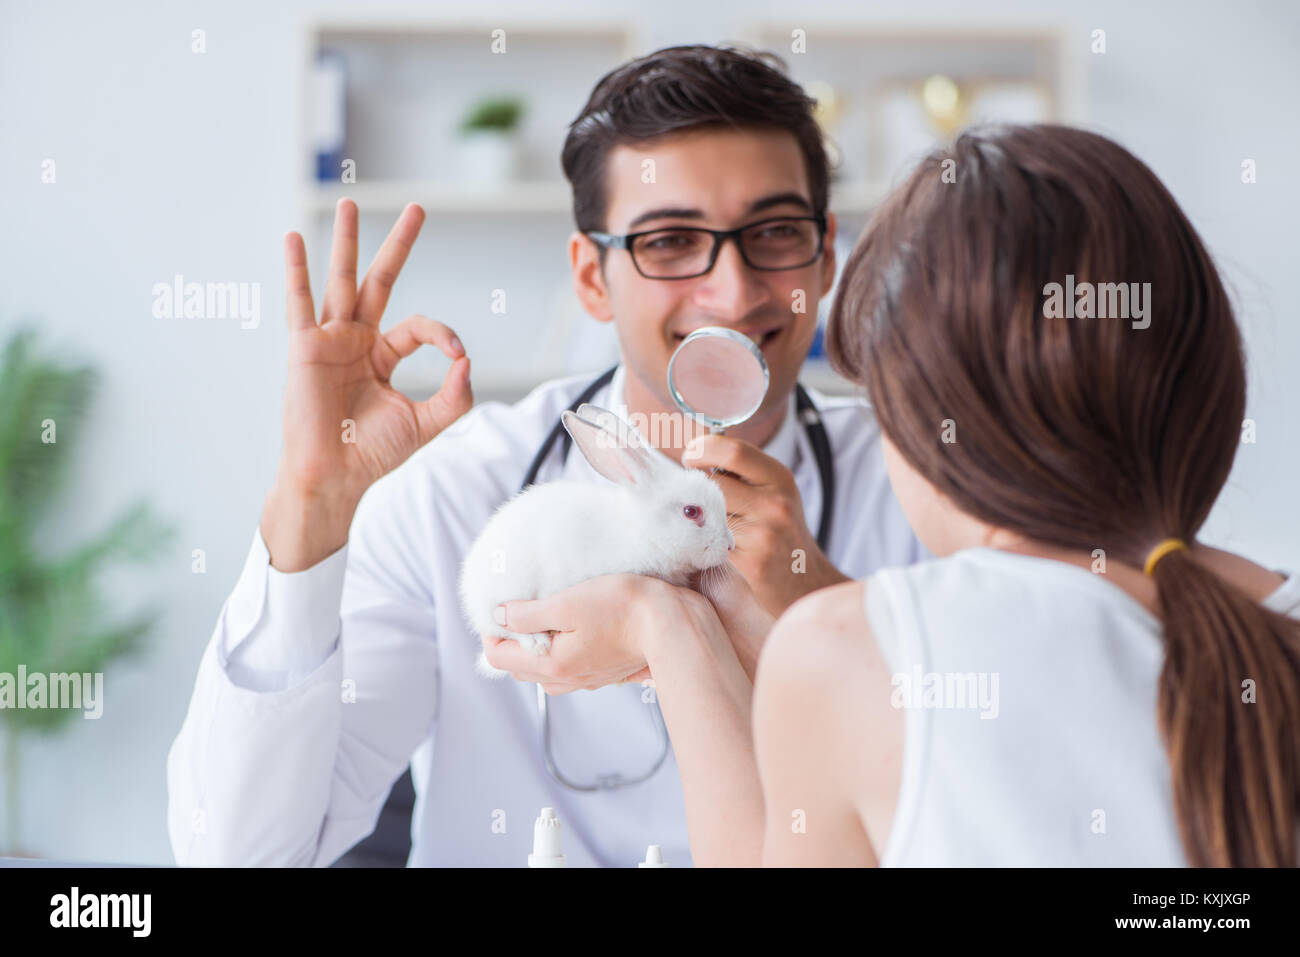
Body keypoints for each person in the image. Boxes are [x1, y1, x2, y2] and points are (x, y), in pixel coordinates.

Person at [164, 45, 924, 867]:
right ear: (590, 280)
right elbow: (240, 854)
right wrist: (308, 505)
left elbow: (992, 810)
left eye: (775, 232)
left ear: (827, 255)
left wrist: (824, 610)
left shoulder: (921, 483)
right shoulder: (457, 493)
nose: (733, 293)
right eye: (669, 241)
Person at [495, 124, 1300, 866]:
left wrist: (661, 622)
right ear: (1208, 381)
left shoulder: (845, 650)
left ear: (923, 424)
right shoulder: (1275, 622)